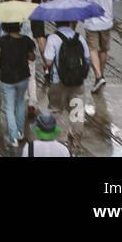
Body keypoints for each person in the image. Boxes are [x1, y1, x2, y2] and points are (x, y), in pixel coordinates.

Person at [43, 20, 90, 154]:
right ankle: (75, 145)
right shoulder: (79, 37)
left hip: (58, 82)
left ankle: (55, 145)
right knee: (77, 114)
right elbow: (87, 59)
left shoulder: (53, 38)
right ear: (70, 22)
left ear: (56, 22)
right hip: (77, 83)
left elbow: (48, 61)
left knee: (55, 111)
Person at [79, 0, 118, 92]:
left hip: (91, 21)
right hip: (107, 21)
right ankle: (101, 75)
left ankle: (98, 76)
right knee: (103, 49)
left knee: (92, 49)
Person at [0, 22, 36, 146]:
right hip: (23, 77)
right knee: (20, 103)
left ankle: (13, 138)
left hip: (7, 78)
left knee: (9, 107)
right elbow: (32, 57)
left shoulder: (1, 41)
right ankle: (20, 132)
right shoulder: (26, 40)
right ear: (19, 26)